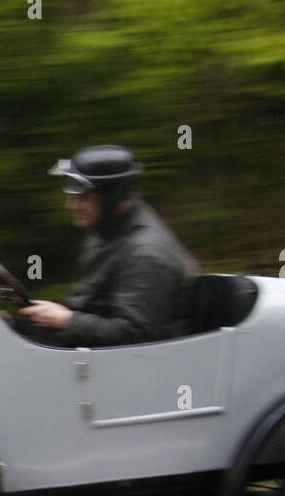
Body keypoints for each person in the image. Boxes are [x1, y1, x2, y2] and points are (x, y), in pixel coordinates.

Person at [18, 145, 199, 347]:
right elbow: (92, 303)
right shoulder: (106, 230)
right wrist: (55, 314)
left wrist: (66, 319)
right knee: (14, 327)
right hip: (95, 347)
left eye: (83, 198)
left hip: (127, 362)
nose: (71, 206)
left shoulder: (146, 254)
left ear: (111, 197)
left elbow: (136, 334)